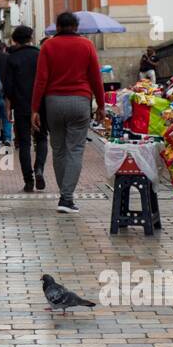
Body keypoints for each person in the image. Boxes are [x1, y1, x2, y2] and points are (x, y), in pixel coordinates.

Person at [31, 11, 106, 214]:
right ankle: (66, 198)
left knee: (58, 149)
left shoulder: (47, 46)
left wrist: (34, 109)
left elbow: (40, 80)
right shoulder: (86, 45)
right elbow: (95, 78)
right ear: (76, 26)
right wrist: (101, 104)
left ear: (57, 26)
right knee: (75, 149)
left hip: (53, 102)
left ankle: (64, 196)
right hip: (80, 101)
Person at [4, 25, 48, 192]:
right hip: (40, 105)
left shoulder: (12, 58)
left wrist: (8, 108)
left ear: (15, 40)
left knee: (24, 143)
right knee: (42, 138)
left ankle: (28, 181)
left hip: (21, 105)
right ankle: (39, 169)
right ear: (30, 38)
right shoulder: (40, 55)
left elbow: (8, 86)